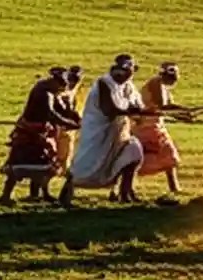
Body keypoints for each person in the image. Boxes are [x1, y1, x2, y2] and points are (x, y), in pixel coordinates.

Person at [59, 54, 150, 206]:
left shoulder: (128, 86)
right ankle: (66, 194)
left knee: (134, 153)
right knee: (86, 164)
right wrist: (131, 111)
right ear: (114, 70)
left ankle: (125, 192)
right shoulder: (104, 83)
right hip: (98, 131)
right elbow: (109, 110)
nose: (123, 75)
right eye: (120, 71)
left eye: (128, 71)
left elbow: (138, 106)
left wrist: (141, 112)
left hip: (120, 132)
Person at [0, 67, 81, 205]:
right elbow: (52, 115)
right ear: (55, 82)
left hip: (42, 132)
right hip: (29, 132)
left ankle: (42, 193)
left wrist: (74, 118)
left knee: (44, 165)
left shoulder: (52, 91)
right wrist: (70, 123)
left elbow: (63, 109)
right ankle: (6, 196)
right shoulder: (43, 92)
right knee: (18, 163)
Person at [134, 62, 188, 195]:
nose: (176, 80)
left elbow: (169, 106)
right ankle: (124, 187)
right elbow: (161, 106)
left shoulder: (164, 87)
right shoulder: (155, 84)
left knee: (169, 156)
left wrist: (184, 116)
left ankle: (174, 187)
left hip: (156, 126)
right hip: (145, 128)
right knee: (138, 159)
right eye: (174, 77)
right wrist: (184, 111)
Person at [51, 65, 86, 189]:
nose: (73, 81)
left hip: (69, 128)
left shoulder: (78, 91)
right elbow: (67, 110)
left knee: (65, 156)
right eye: (71, 78)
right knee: (54, 156)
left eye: (76, 78)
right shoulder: (62, 91)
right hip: (59, 126)